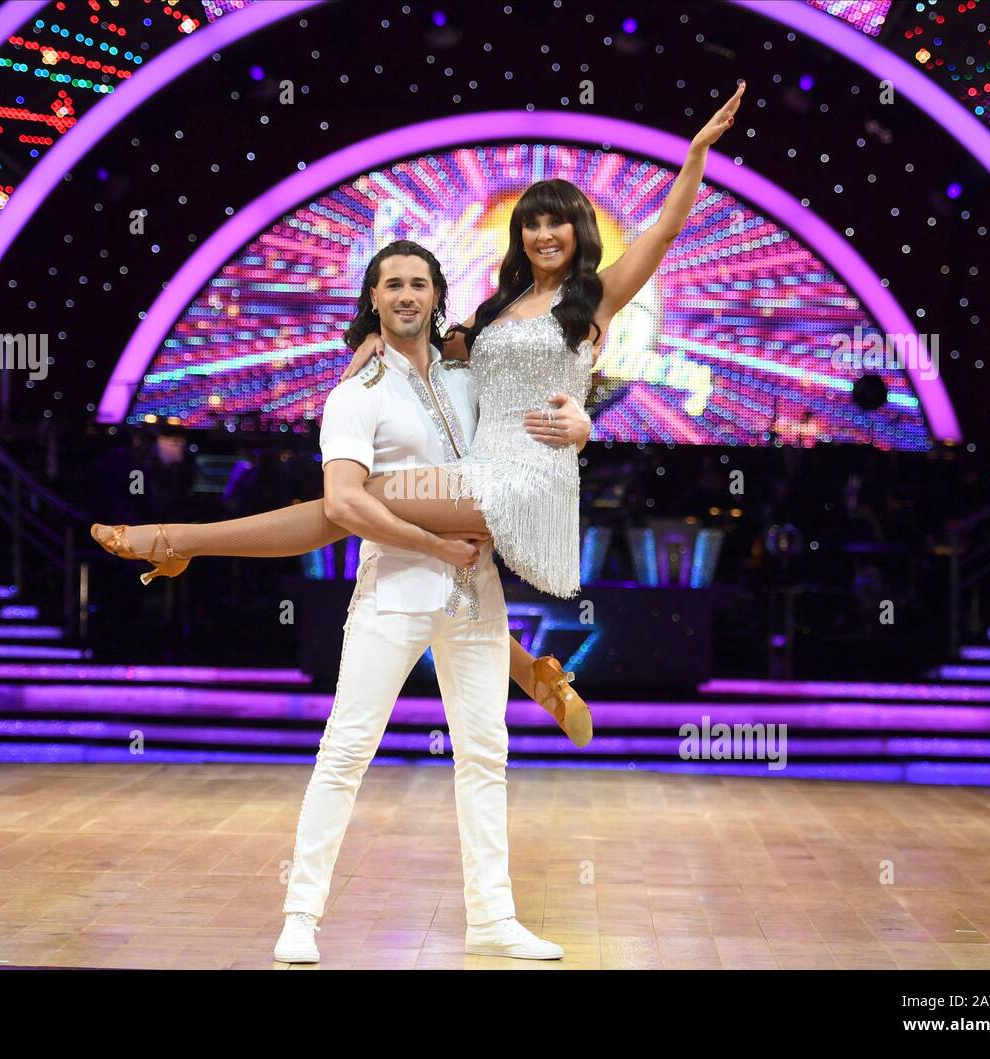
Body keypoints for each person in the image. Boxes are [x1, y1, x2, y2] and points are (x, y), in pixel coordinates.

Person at [92, 82, 746, 741]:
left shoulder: (593, 301)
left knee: (351, 504)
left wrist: (694, 154)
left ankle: (182, 540)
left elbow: (664, 231)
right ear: (521, 234)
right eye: (535, 222)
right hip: (478, 475)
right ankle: (534, 673)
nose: (547, 233)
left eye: (560, 221)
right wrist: (377, 334)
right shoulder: (492, 314)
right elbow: (426, 341)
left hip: (527, 486)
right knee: (358, 513)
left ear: (580, 232)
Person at [272, 242, 562, 961]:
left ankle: (493, 918)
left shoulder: (469, 384)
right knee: (346, 750)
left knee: (485, 754)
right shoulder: (356, 393)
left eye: (419, 284)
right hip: (394, 591)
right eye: (393, 284)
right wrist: (436, 546)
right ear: (373, 297)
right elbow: (342, 503)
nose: (407, 294)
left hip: (476, 594)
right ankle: (301, 916)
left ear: (437, 297)